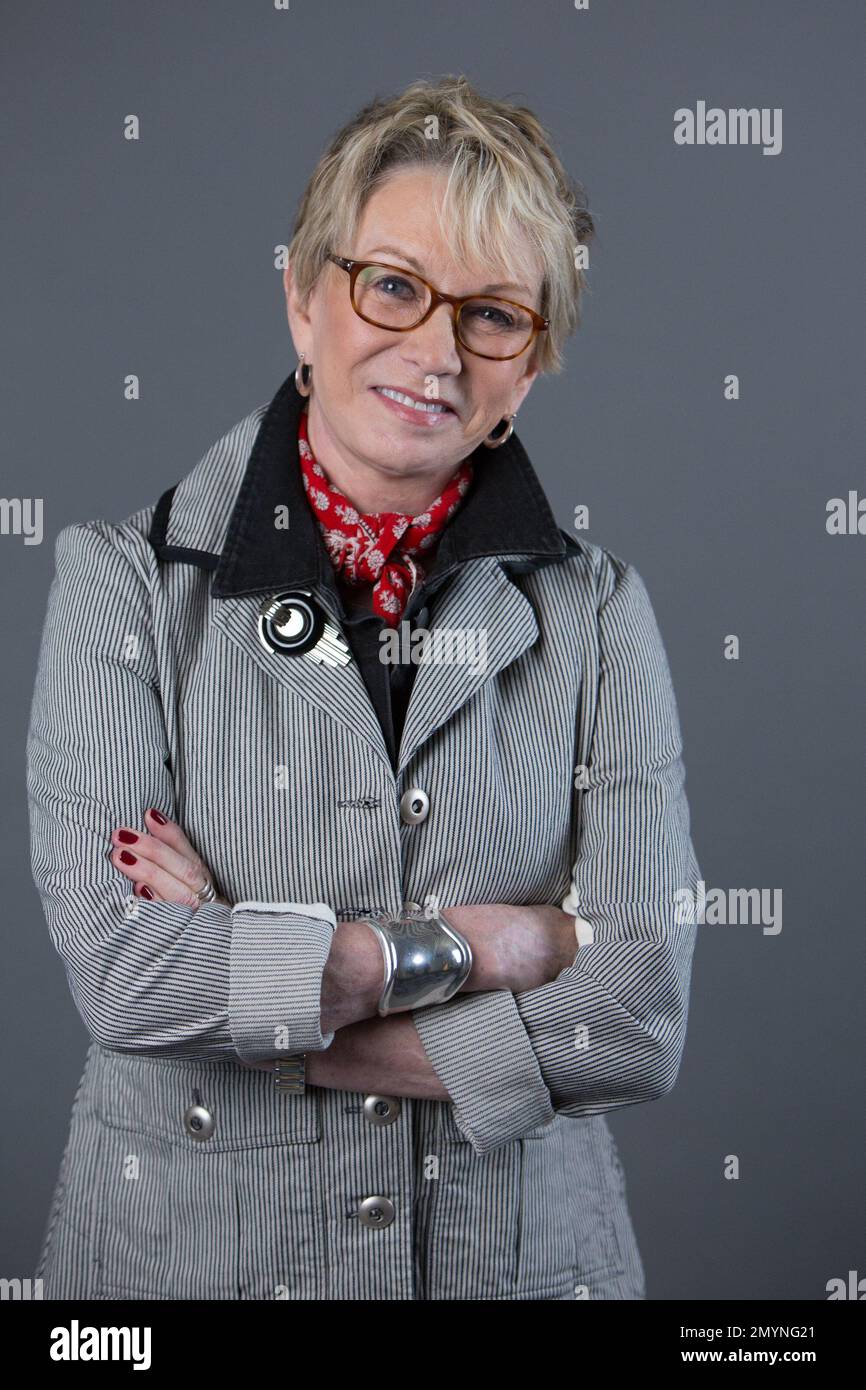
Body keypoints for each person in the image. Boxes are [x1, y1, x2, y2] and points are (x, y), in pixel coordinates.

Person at [27, 74, 701, 1301]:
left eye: (492, 315)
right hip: (187, 1271)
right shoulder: (117, 583)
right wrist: (481, 945)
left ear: (529, 367)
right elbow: (126, 973)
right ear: (300, 296)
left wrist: (274, 1004)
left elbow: (636, 1017)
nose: (434, 352)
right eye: (392, 286)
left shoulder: (600, 610)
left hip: (527, 1273)